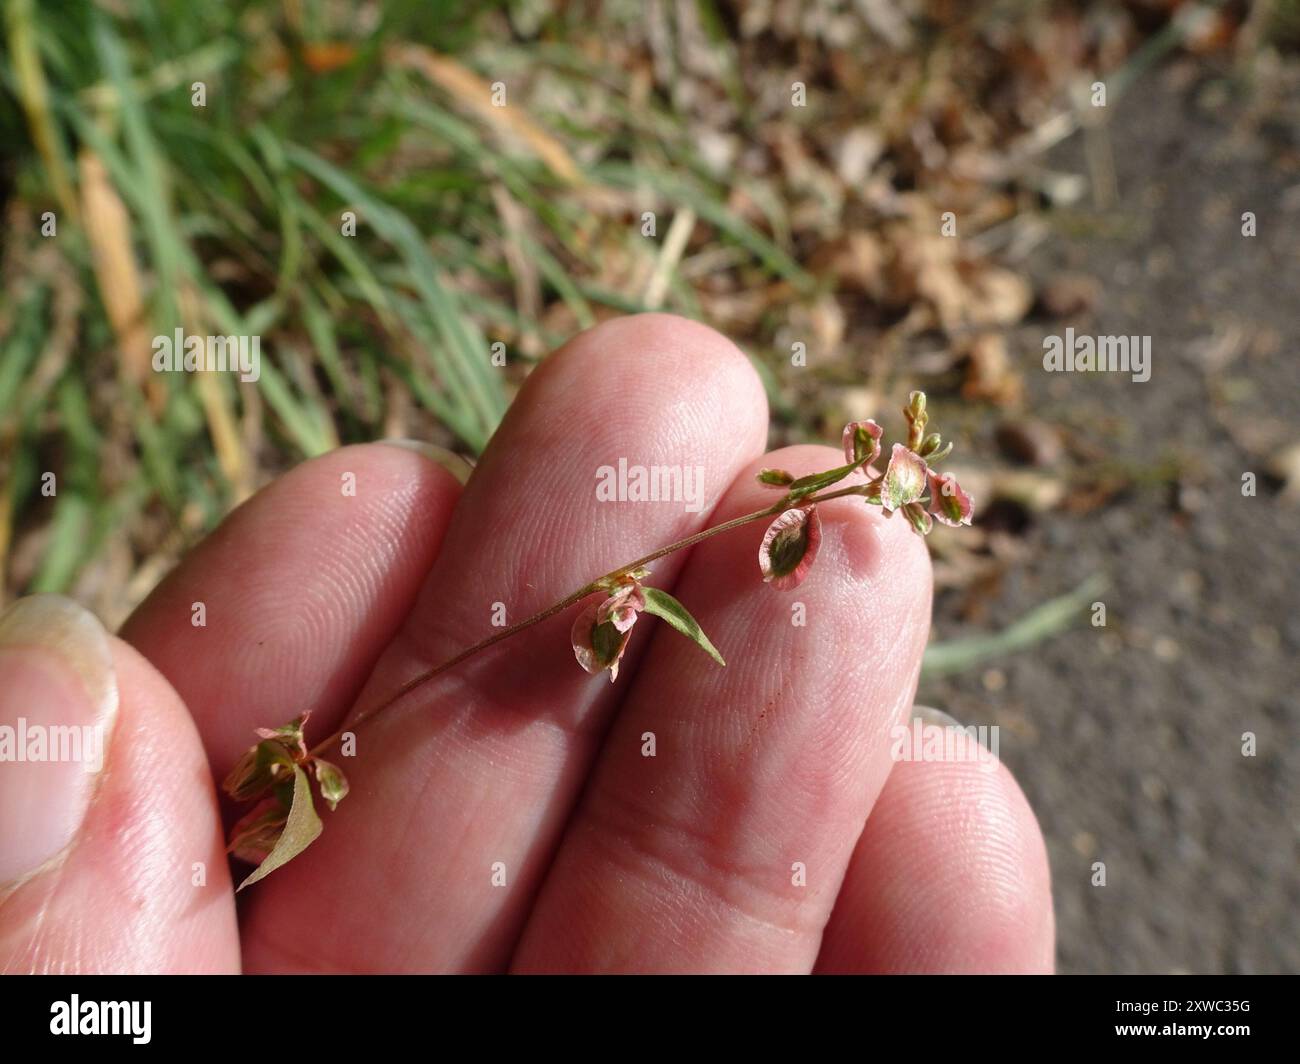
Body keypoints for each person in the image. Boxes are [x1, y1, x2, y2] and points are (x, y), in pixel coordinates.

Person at [0, 314, 1053, 973]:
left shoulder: (795, 523)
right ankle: (257, 822)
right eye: (898, 468)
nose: (898, 471)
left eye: (902, 475)